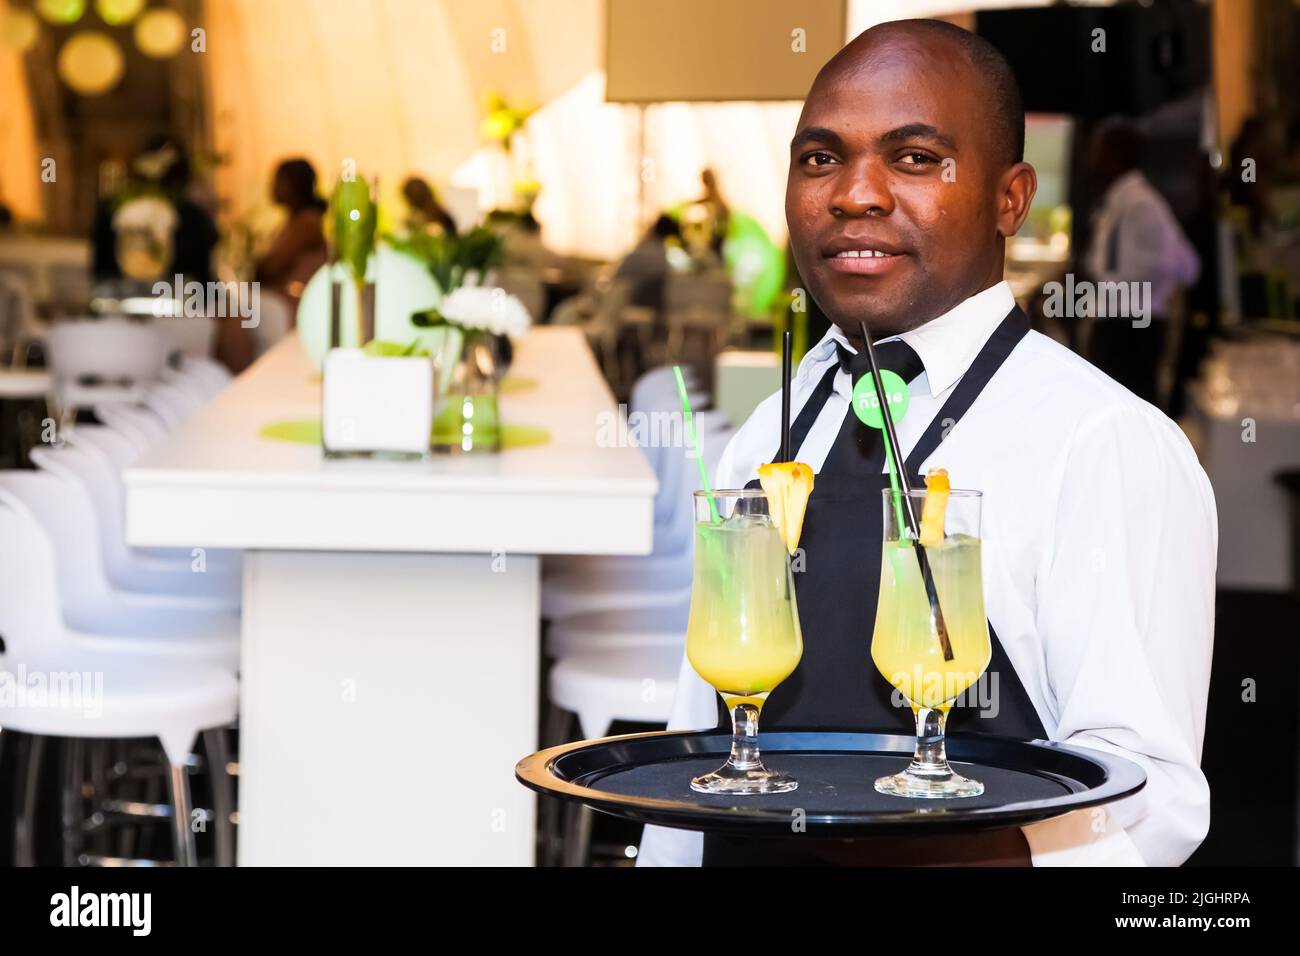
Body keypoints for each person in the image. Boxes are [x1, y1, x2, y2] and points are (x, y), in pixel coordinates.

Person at [639, 19, 1215, 867]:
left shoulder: (1104, 443)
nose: (854, 195)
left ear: (1009, 199)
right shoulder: (770, 433)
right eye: (819, 158)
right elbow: (702, 743)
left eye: (913, 159)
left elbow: (1149, 797)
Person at [1082, 119, 1201, 408]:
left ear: (1115, 154)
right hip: (1123, 327)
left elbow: (1185, 266)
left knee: (1127, 418)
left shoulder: (1140, 203)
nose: (1091, 158)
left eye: (1098, 150)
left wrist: (1147, 293)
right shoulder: (1121, 201)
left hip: (1130, 330)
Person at [92, 136, 219, 284]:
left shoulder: (111, 210)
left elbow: (100, 273)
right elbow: (203, 279)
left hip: (122, 297)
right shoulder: (193, 217)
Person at [254, 158, 328, 303]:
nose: (272, 186)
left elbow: (274, 266)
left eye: (278, 180)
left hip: (294, 304)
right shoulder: (293, 220)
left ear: (294, 185)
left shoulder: (307, 223)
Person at [614, 214, 679, 311]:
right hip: (635, 303)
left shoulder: (647, 248)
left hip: (632, 301)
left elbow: (618, 274)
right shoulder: (656, 251)